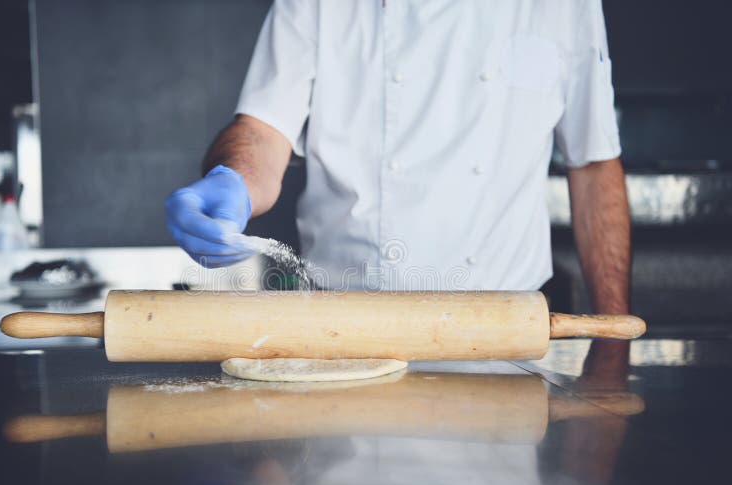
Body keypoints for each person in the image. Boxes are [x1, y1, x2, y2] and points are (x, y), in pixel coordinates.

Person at [165, 0, 630, 315]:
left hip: (503, 331)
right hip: (342, 326)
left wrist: (614, 341)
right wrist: (233, 181)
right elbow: (263, 130)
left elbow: (594, 164)